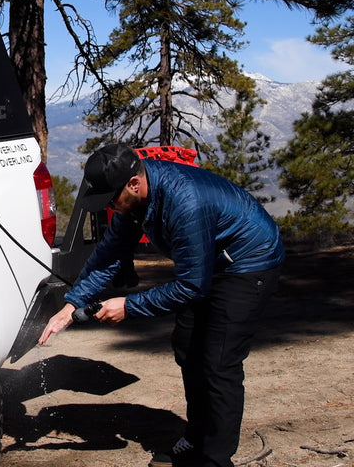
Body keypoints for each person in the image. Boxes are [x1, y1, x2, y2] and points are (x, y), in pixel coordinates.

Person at [38, 143, 283, 467]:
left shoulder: (185, 202)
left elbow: (192, 286)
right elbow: (108, 255)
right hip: (211, 263)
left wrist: (129, 306)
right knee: (187, 345)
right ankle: (196, 439)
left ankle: (215, 459)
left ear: (134, 185)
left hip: (247, 262)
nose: (110, 206)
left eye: (112, 199)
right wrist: (71, 306)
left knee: (219, 360)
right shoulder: (135, 201)